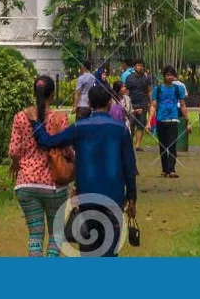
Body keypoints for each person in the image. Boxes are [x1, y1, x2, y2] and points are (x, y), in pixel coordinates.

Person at [33, 83, 137, 257]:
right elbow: (129, 167)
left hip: (87, 195)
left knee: (88, 250)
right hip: (114, 196)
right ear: (110, 102)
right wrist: (132, 197)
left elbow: (48, 142)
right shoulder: (121, 130)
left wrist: (36, 123)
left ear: (89, 103)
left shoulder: (79, 128)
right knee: (110, 251)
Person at [8, 75, 71, 258]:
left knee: (35, 235)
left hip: (26, 183)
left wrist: (16, 165)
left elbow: (13, 151)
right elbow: (66, 148)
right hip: (53, 185)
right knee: (55, 234)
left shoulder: (21, 117)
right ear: (52, 94)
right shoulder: (60, 118)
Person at [148, 66, 187, 178]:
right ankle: (165, 170)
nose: (170, 77)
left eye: (172, 75)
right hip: (161, 119)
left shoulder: (177, 88)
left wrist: (187, 120)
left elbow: (183, 104)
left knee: (172, 145)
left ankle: (172, 169)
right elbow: (153, 105)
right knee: (162, 145)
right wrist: (149, 121)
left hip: (173, 119)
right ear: (164, 76)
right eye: (168, 75)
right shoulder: (158, 88)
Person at [123, 58, 152, 151]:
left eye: (141, 65)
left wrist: (151, 103)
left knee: (141, 124)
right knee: (131, 124)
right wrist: (126, 104)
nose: (140, 67)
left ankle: (138, 145)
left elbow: (150, 91)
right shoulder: (129, 78)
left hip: (143, 104)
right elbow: (126, 92)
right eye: (138, 65)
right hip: (132, 104)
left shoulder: (147, 77)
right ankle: (129, 143)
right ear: (134, 67)